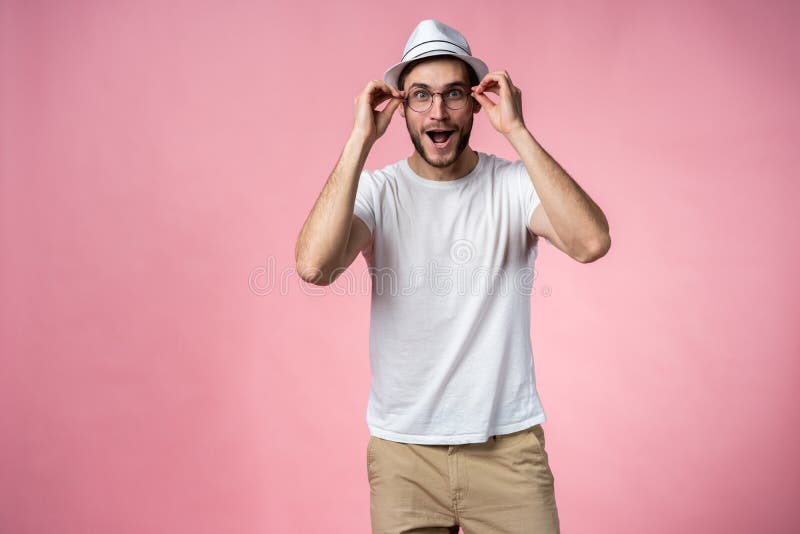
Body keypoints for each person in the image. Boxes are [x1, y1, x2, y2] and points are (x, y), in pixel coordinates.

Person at [295, 19, 610, 534]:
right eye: (421, 95)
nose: (438, 112)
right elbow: (313, 267)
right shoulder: (380, 192)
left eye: (453, 95)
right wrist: (359, 139)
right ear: (400, 106)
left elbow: (591, 242)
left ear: (476, 102)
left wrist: (519, 132)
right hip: (404, 459)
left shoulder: (512, 186)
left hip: (507, 451)